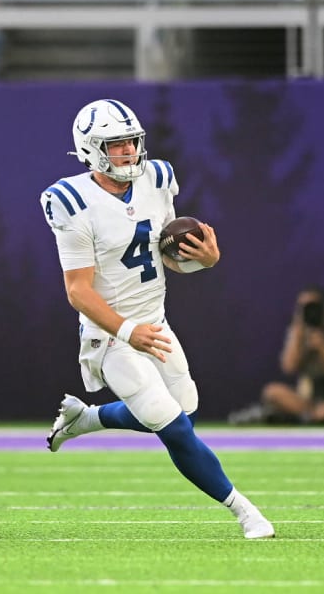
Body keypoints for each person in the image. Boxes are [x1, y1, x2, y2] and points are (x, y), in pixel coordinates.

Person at [40, 99, 275, 540]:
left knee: (184, 406)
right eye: (116, 145)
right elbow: (78, 291)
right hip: (110, 336)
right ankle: (246, 512)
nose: (128, 152)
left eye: (131, 142)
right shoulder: (71, 201)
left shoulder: (157, 179)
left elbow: (165, 256)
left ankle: (85, 419)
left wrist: (205, 260)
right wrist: (129, 332)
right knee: (174, 426)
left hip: (154, 323)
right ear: (90, 150)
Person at [229, 287, 324, 426]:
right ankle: (318, 416)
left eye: (312, 306)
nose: (308, 311)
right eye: (302, 307)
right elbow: (288, 367)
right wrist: (297, 336)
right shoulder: (298, 331)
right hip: (312, 400)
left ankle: (314, 417)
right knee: (272, 391)